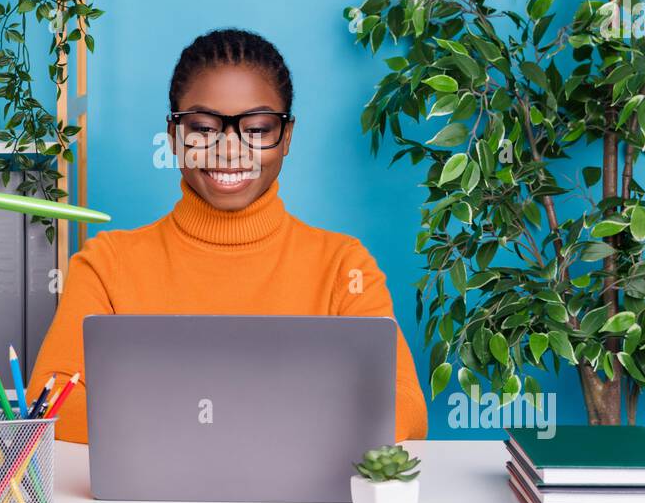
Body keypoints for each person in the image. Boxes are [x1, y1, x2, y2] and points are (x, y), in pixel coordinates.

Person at [26, 27, 428, 442]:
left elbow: (404, 407)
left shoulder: (344, 266)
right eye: (202, 127)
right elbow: (50, 401)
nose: (229, 149)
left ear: (285, 136)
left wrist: (192, 424)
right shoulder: (106, 264)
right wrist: (230, 426)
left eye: (256, 128)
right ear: (174, 137)